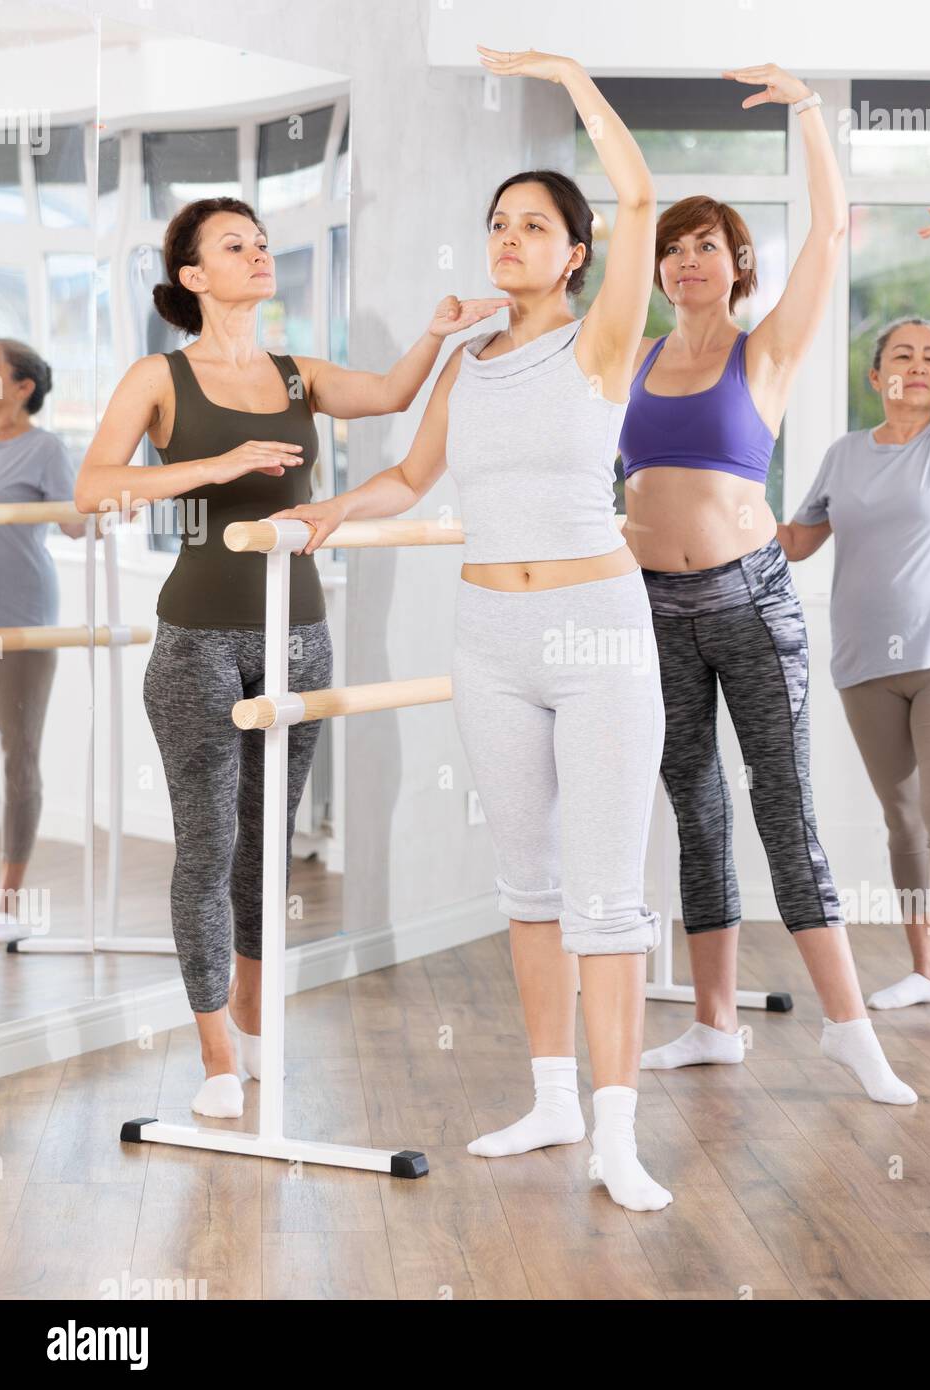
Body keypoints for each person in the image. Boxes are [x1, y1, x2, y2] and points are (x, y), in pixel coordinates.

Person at [277, 47, 673, 1211]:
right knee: (530, 884)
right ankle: (551, 1095)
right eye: (497, 222)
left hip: (596, 631)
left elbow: (642, 197)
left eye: (533, 224)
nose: (508, 238)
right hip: (491, 639)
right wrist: (328, 513)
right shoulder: (468, 356)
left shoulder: (600, 339)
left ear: (578, 250)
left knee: (605, 893)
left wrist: (574, 83)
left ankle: (618, 1130)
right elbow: (409, 475)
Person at [75, 195, 506, 1117]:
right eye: (236, 245)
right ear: (193, 276)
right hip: (198, 637)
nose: (259, 254)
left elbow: (390, 394)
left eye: (263, 242)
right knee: (209, 846)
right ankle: (217, 1059)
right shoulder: (158, 375)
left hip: (300, 635)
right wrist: (213, 468)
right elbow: (95, 487)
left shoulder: (297, 373)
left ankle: (262, 1032)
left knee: (265, 851)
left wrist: (438, 337)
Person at [618, 65, 915, 1105]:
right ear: (658, 270)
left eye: (709, 245)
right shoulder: (636, 359)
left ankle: (849, 1027)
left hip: (750, 602)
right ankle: (712, 1022)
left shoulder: (767, 350)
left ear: (737, 265)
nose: (688, 259)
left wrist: (806, 112)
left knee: (783, 810)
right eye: (675, 245)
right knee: (694, 811)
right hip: (650, 609)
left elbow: (832, 233)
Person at [783, 208, 930, 1047]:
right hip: (863, 666)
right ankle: (924, 970)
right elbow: (799, 542)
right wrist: (725, 514)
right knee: (903, 821)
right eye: (902, 355)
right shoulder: (846, 455)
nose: (918, 366)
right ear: (875, 374)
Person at [0, 340, 87, 944]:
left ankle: (8, 899)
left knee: (19, 757)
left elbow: (75, 524)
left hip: (22, 619)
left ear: (22, 386)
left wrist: (106, 507)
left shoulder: (44, 447)